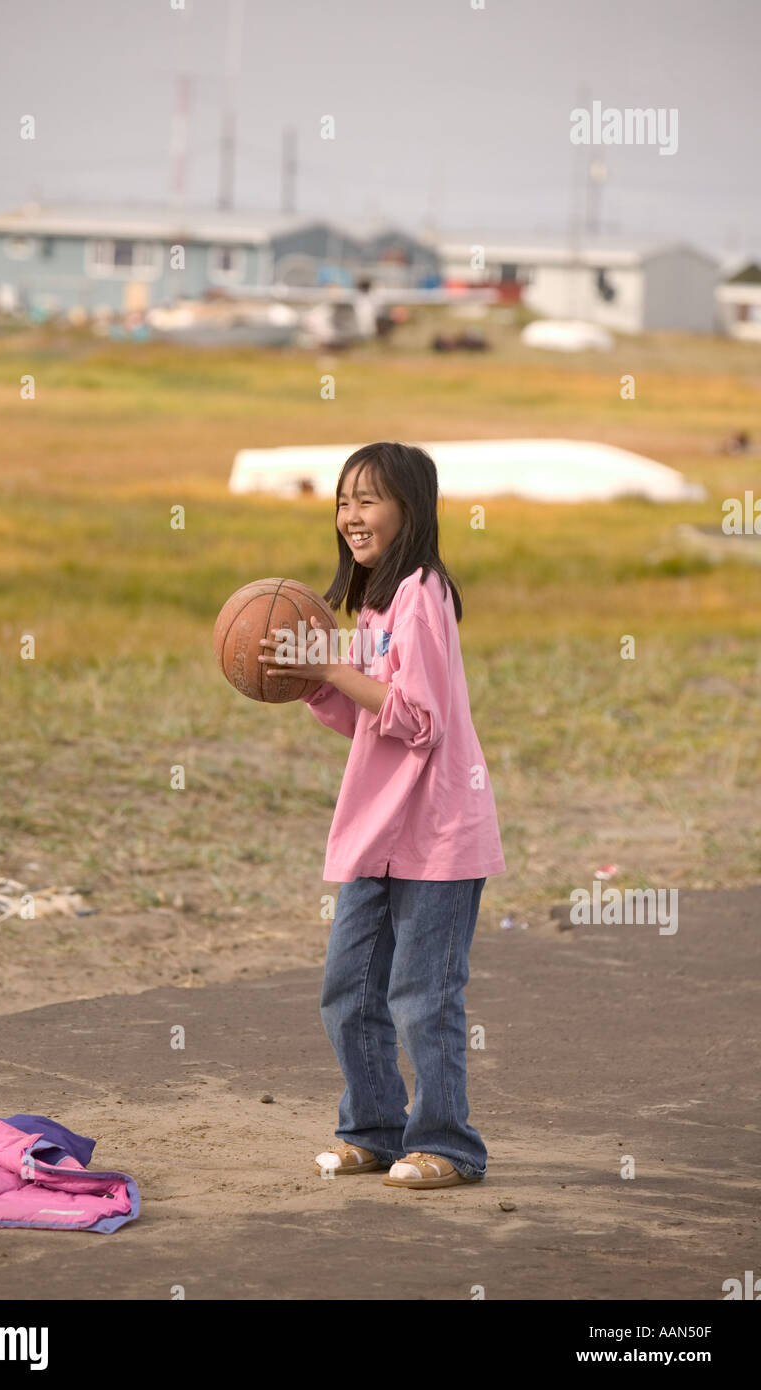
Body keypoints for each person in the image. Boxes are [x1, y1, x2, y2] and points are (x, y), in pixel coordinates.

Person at [258, 442, 507, 1190]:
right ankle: (372, 1128)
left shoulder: (421, 592)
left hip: (436, 834)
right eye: (343, 501)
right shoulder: (372, 601)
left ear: (410, 509)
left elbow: (420, 718)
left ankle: (449, 1145)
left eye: (368, 499)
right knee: (350, 989)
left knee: (423, 996)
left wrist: (336, 670)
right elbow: (374, 719)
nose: (351, 515)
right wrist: (315, 684)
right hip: (378, 830)